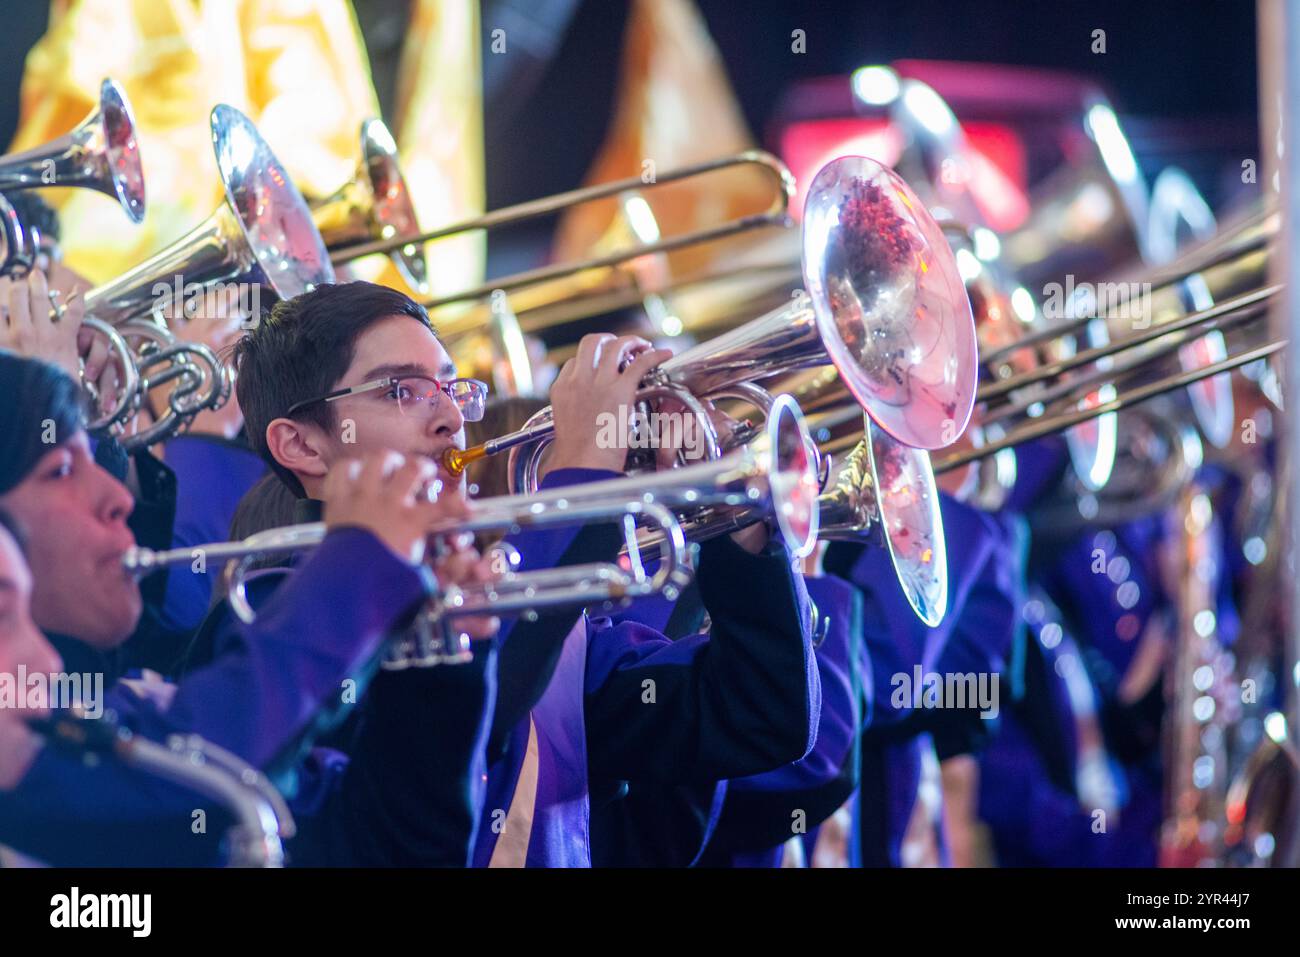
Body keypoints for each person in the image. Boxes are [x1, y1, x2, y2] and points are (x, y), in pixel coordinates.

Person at [229, 279, 822, 867]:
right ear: (301, 445)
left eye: (450, 388)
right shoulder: (270, 609)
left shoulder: (550, 628)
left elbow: (760, 715)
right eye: (401, 391)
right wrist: (583, 474)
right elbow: (459, 721)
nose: (450, 419)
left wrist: (736, 516)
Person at [0, 352, 498, 865]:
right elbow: (210, 758)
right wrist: (361, 565)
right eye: (59, 469)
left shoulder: (107, 708)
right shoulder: (33, 741)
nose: (120, 496)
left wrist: (438, 662)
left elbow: (385, 849)